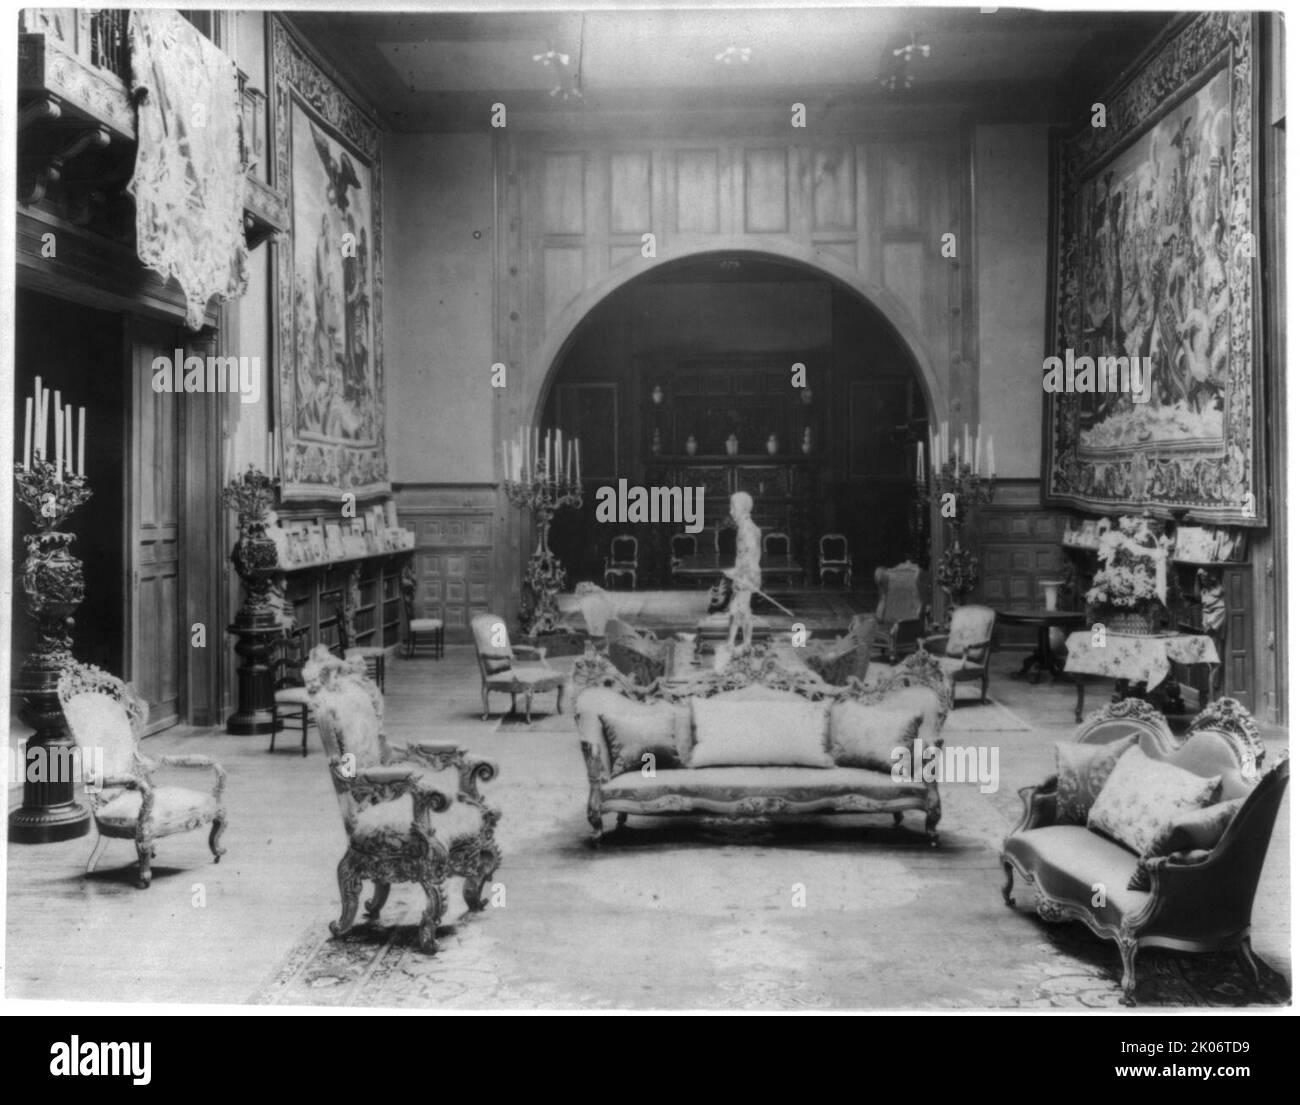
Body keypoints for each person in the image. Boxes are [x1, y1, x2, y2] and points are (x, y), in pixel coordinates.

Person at [724, 491, 762, 649]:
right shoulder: (747, 527)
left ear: (743, 508)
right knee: (737, 608)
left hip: (747, 576)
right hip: (745, 575)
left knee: (741, 610)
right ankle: (732, 643)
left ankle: (745, 644)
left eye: (733, 507)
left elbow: (751, 554)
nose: (731, 511)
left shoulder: (746, 528)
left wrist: (738, 573)